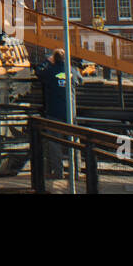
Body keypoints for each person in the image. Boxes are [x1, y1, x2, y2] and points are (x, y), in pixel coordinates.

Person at [32, 49, 94, 179]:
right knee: (74, 143)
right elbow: (80, 80)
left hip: (54, 112)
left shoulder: (50, 71)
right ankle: (76, 172)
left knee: (54, 144)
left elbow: (38, 72)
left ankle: (58, 172)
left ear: (54, 59)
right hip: (70, 113)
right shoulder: (72, 71)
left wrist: (46, 62)